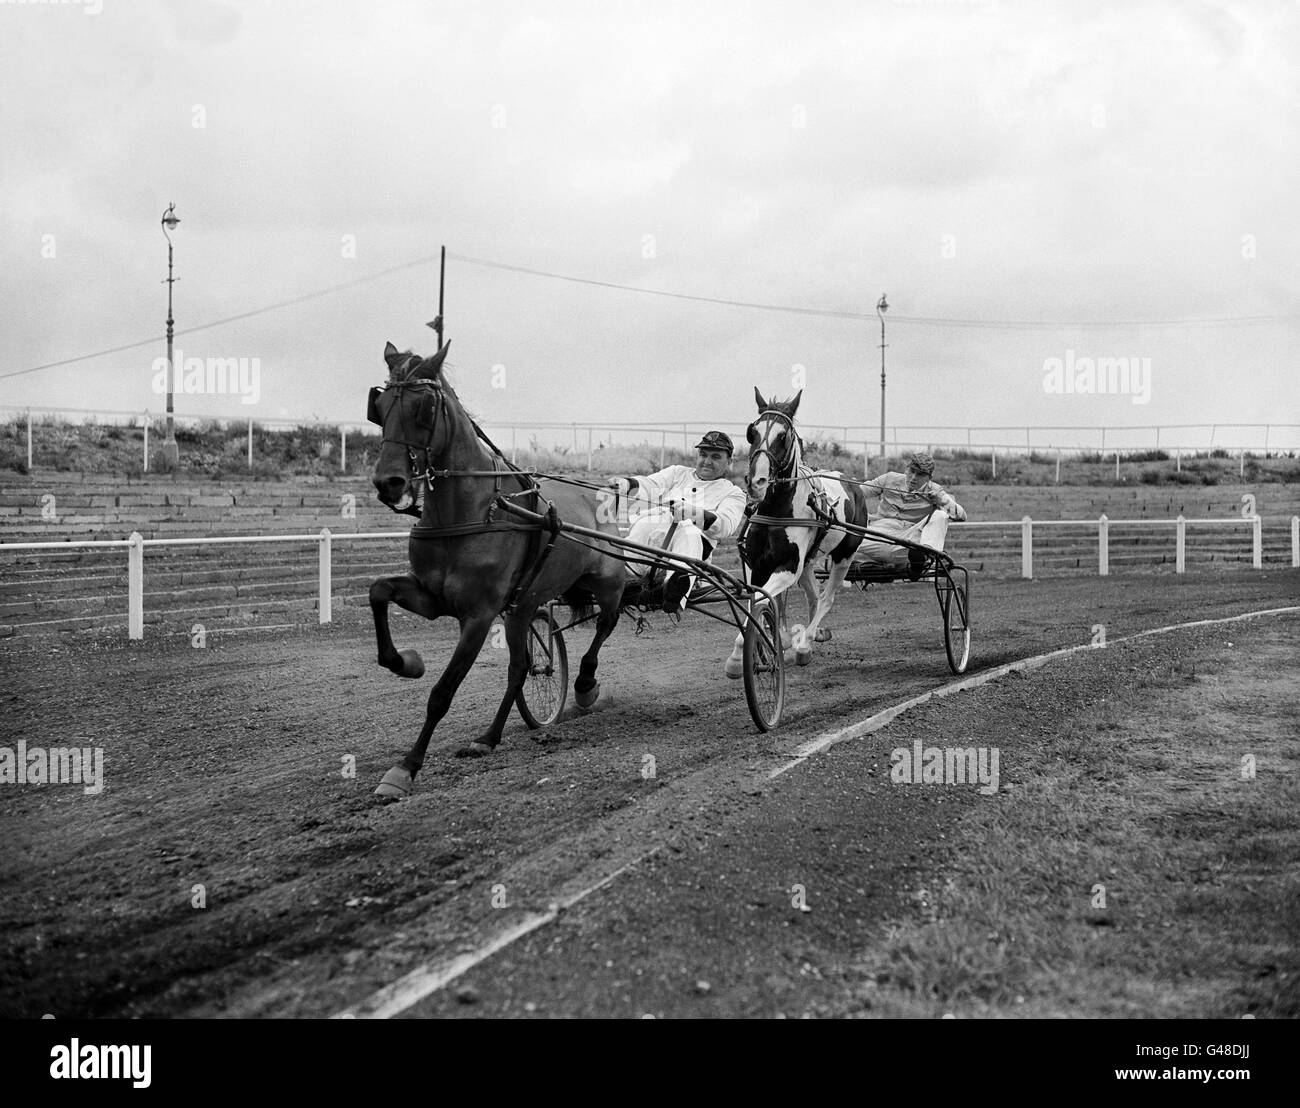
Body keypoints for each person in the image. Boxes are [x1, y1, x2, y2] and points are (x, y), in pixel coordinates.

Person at [607, 431, 748, 612]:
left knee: (687, 530)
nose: (707, 461)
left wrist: (693, 514)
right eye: (703, 455)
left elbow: (725, 525)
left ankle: (674, 589)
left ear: (729, 462)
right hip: (648, 545)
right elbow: (650, 485)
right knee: (638, 529)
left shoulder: (733, 493)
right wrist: (627, 484)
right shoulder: (677, 473)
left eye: (715, 457)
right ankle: (610, 579)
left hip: (685, 554)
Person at [853, 451, 967, 578]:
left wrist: (941, 501)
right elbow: (856, 493)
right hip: (878, 536)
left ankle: (923, 557)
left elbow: (962, 516)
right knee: (843, 525)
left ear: (930, 477)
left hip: (909, 543)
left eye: (920, 474)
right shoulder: (888, 479)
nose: (913, 477)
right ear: (906, 469)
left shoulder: (935, 491)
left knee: (941, 515)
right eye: (912, 471)